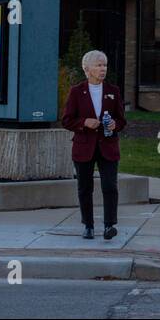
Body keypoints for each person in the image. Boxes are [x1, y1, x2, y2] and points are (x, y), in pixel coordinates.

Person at [60, 50, 126, 240]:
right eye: (98, 65)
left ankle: (109, 225)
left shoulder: (113, 91)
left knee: (110, 186)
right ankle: (88, 225)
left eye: (104, 65)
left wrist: (115, 124)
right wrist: (84, 123)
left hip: (108, 146)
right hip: (84, 146)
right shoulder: (76, 91)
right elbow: (66, 120)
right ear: (87, 69)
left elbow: (122, 120)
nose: (102, 69)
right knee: (85, 187)